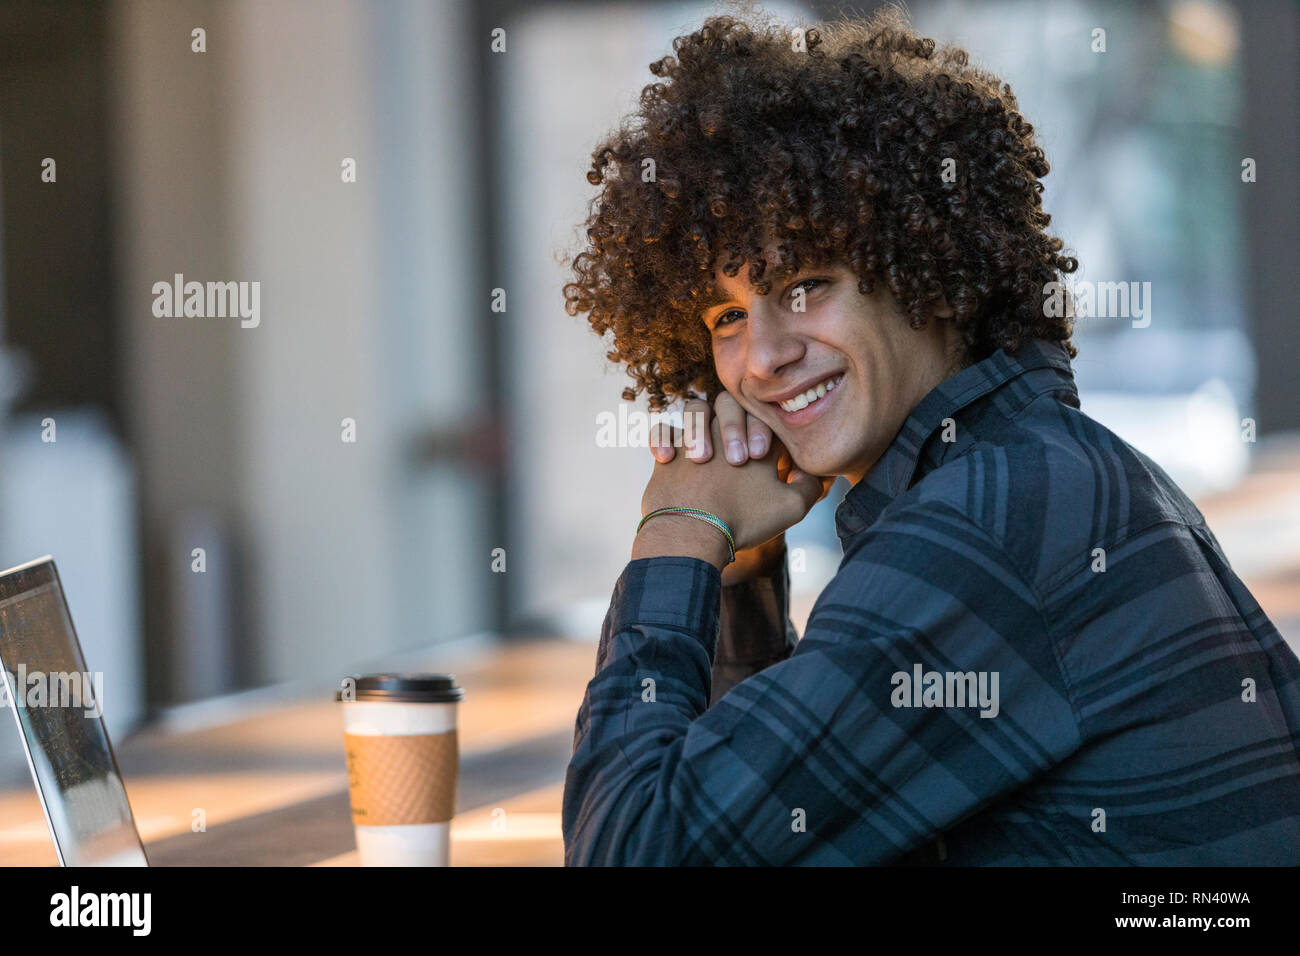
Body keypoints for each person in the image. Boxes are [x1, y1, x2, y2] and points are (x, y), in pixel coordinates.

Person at [559, 3, 1300, 865]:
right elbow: (784, 825)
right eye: (727, 314)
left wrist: (675, 534)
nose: (761, 356)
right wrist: (738, 579)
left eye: (804, 283)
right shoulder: (1027, 467)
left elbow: (632, 852)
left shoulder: (984, 526)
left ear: (932, 275)